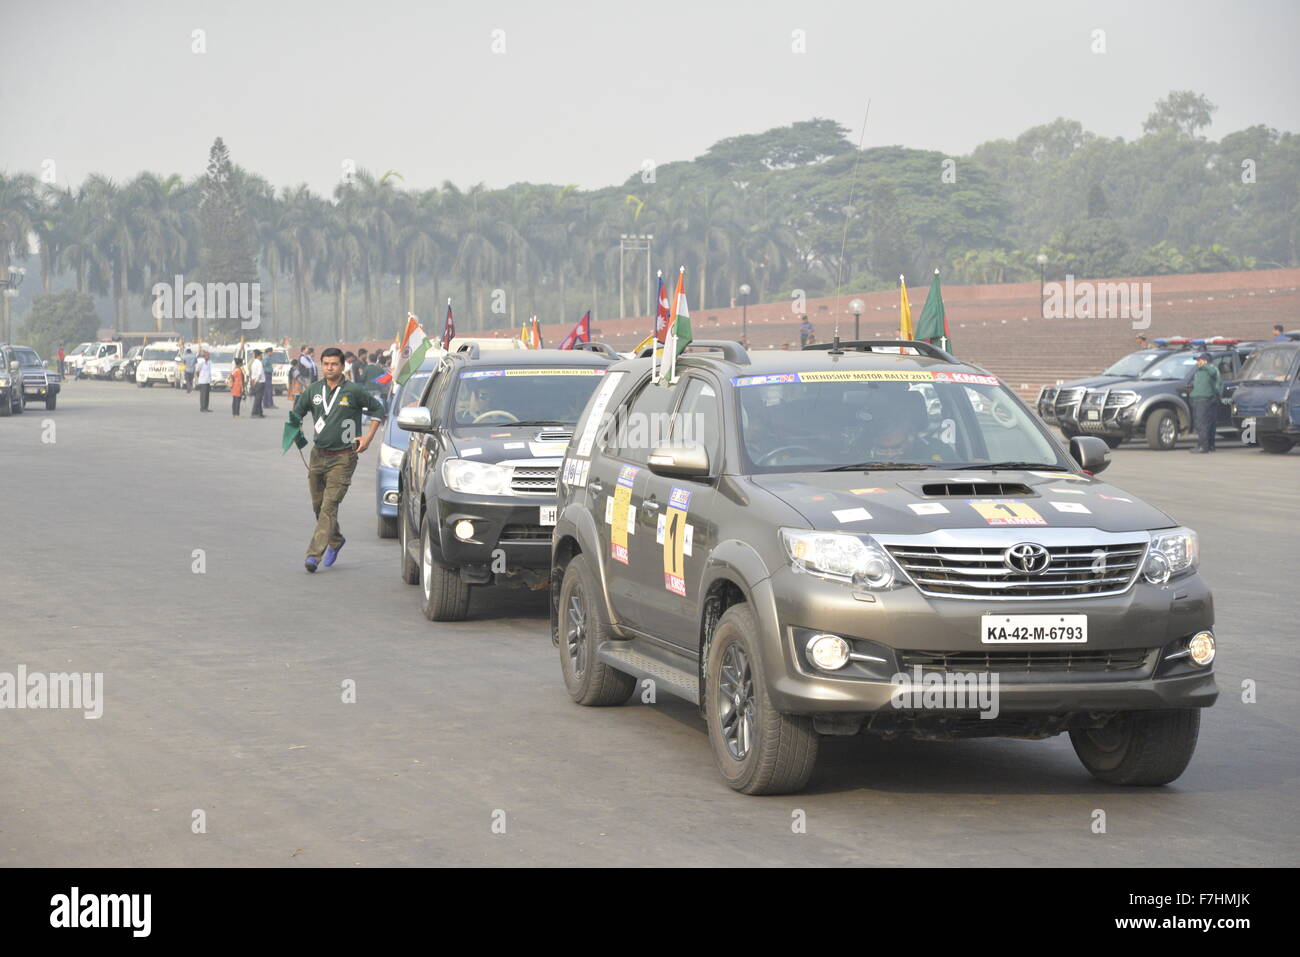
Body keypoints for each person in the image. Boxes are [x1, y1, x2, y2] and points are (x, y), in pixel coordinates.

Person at [288, 347, 386, 573]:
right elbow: (296, 414)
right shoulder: (313, 390)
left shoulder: (353, 391)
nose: (329, 368)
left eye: (334, 364)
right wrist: (294, 430)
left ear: (342, 366)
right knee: (318, 506)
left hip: (344, 457)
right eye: (326, 364)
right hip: (318, 455)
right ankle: (336, 539)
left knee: (329, 506)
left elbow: (378, 410)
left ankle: (314, 555)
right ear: (322, 365)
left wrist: (368, 437)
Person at [1188, 352, 1224, 454]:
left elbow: (1215, 377)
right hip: (1197, 399)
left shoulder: (1211, 369)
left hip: (1204, 399)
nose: (1197, 362)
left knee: (1202, 423)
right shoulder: (1199, 371)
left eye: (1198, 360)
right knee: (1204, 423)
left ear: (1204, 361)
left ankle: (1204, 447)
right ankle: (1207, 445)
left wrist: (1205, 366)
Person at [249, 350, 266, 418]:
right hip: (259, 382)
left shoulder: (254, 362)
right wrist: (256, 380)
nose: (262, 356)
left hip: (255, 381)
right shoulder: (259, 363)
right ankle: (254, 413)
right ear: (259, 355)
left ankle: (260, 413)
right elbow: (259, 373)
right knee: (258, 399)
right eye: (261, 355)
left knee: (258, 398)